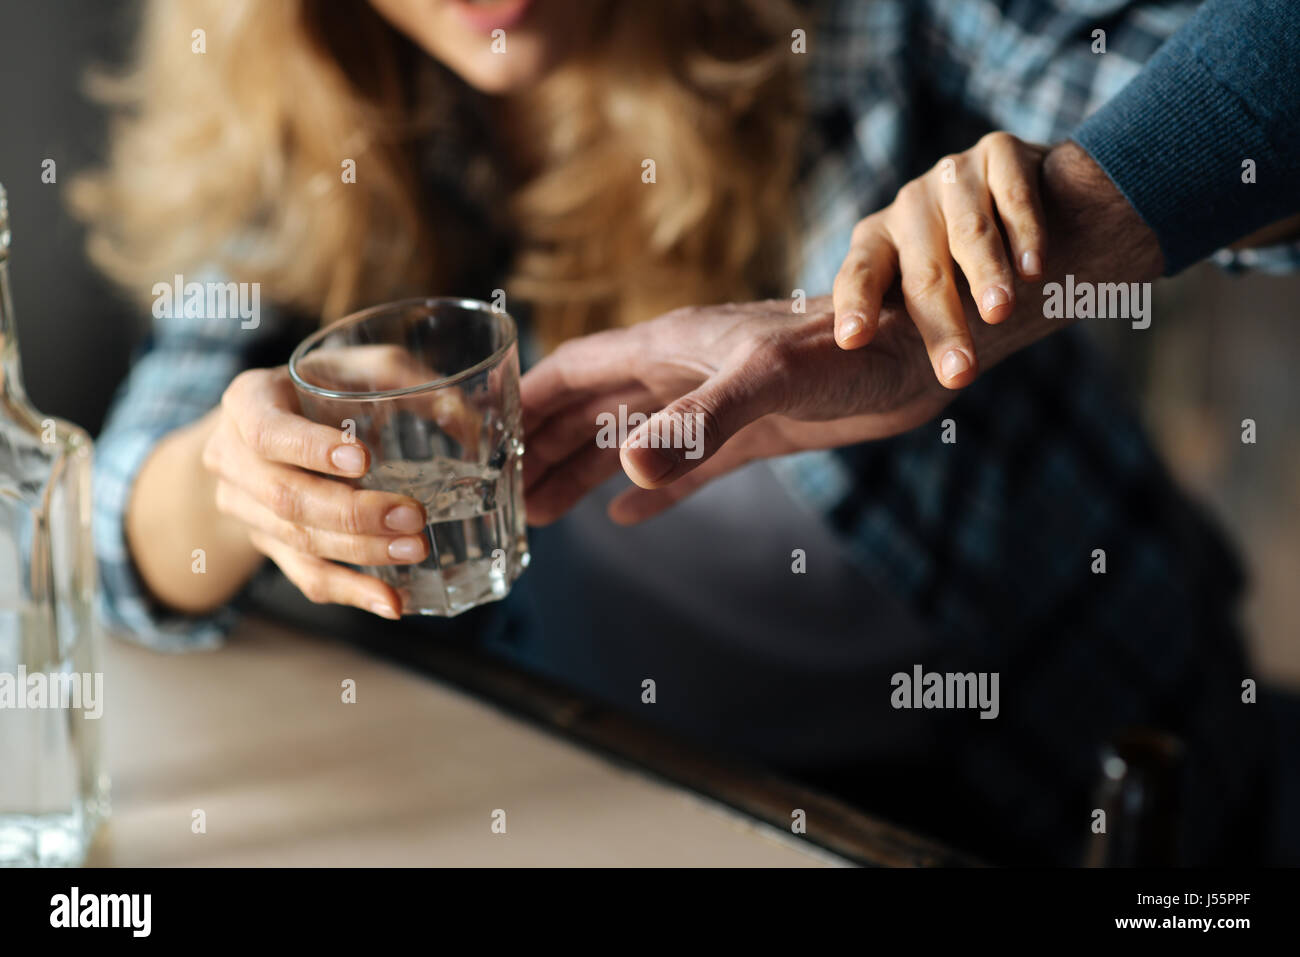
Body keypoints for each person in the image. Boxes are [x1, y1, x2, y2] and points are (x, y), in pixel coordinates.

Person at [77, 0, 1259, 864]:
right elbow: (113, 539)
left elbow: (1268, 107)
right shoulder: (324, 95)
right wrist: (229, 477)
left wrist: (1076, 215)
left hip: (1053, 767)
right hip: (633, 789)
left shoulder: (873, 27)